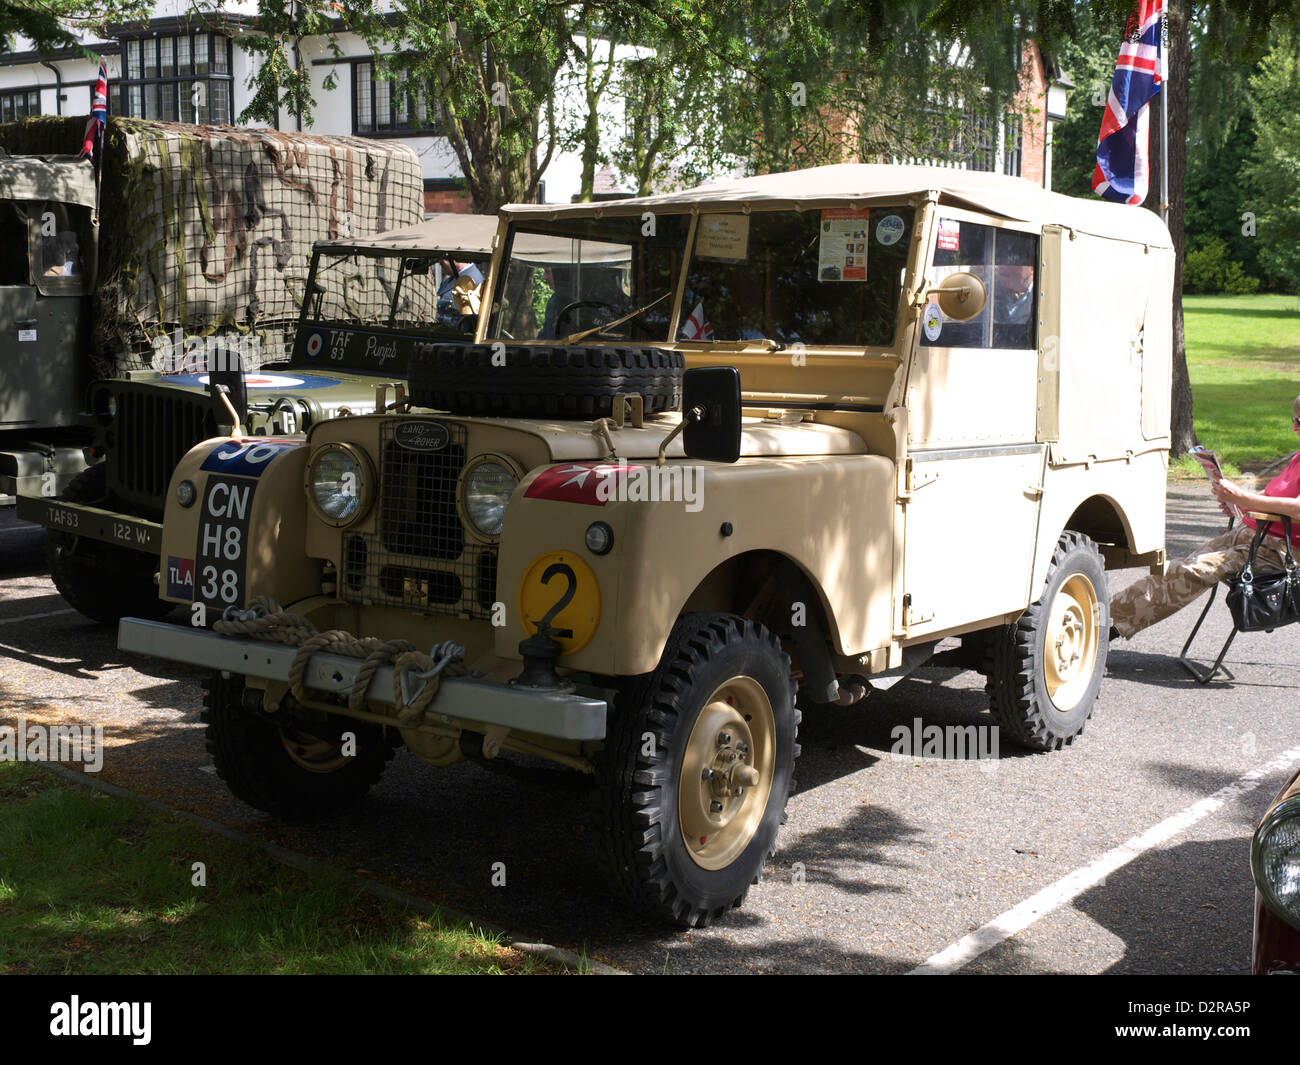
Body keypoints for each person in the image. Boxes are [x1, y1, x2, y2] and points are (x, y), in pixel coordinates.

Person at [1110, 395, 1300, 639]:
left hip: (1278, 552)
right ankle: (1105, 615)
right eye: (1294, 419)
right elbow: (1274, 494)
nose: (1294, 427)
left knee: (1193, 570)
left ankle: (1109, 628)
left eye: (1298, 421)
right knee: (1179, 567)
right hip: (1252, 536)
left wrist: (1244, 499)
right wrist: (1237, 501)